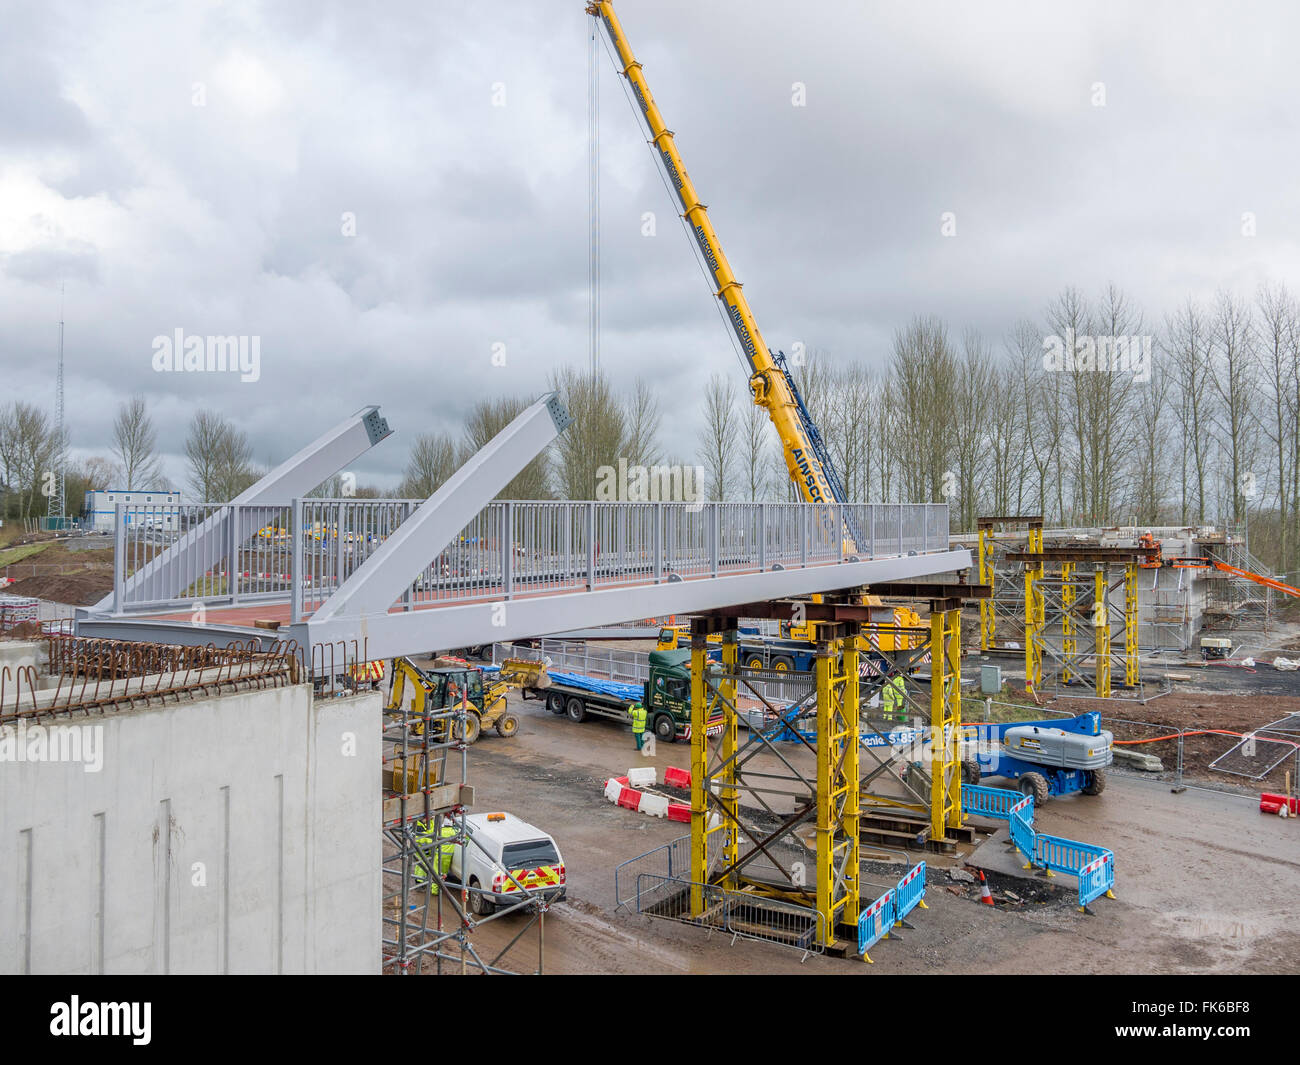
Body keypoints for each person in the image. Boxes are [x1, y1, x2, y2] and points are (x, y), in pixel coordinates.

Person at [413, 818, 458, 894]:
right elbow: (421, 840)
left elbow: (431, 834)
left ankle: (427, 885)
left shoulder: (429, 823)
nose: (432, 817)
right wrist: (429, 848)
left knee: (429, 869)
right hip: (424, 850)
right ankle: (420, 885)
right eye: (430, 816)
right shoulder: (419, 827)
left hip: (431, 850)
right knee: (423, 867)